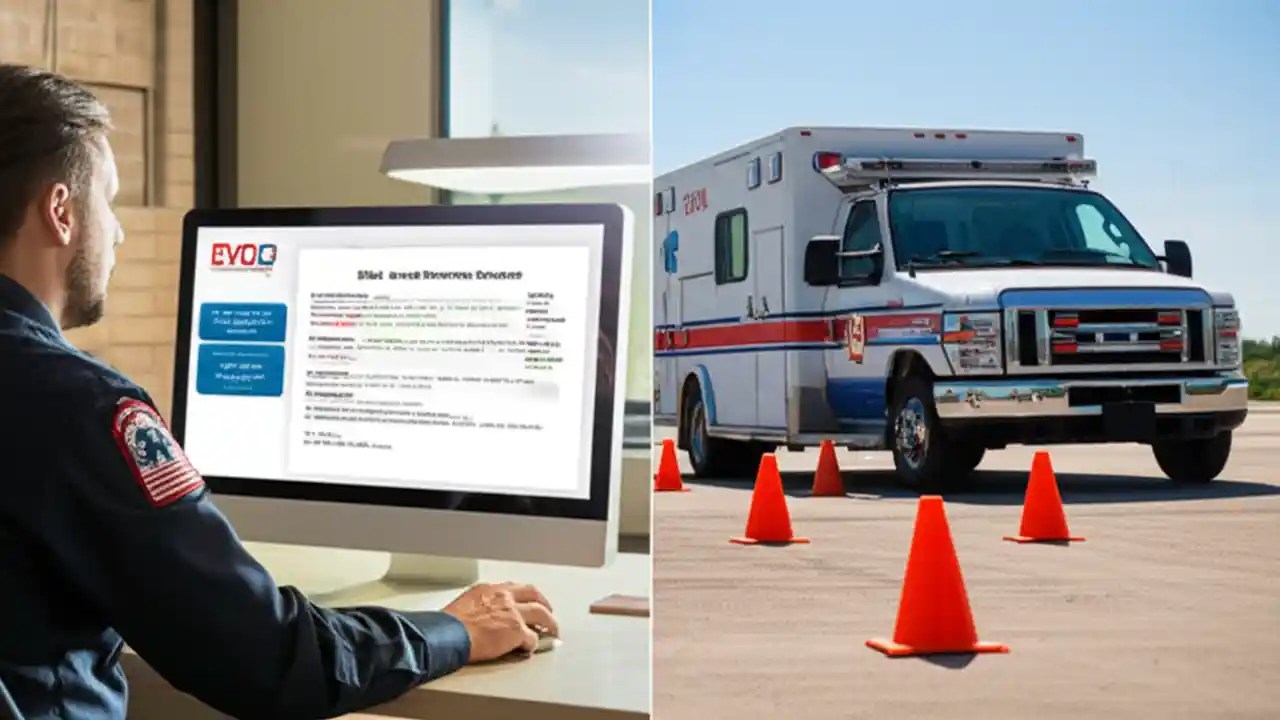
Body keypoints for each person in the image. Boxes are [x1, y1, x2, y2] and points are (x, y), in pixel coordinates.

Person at [0, 63, 558, 720]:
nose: (117, 231)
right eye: (111, 201)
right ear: (61, 212)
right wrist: (455, 631)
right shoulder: (80, 407)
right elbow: (268, 658)